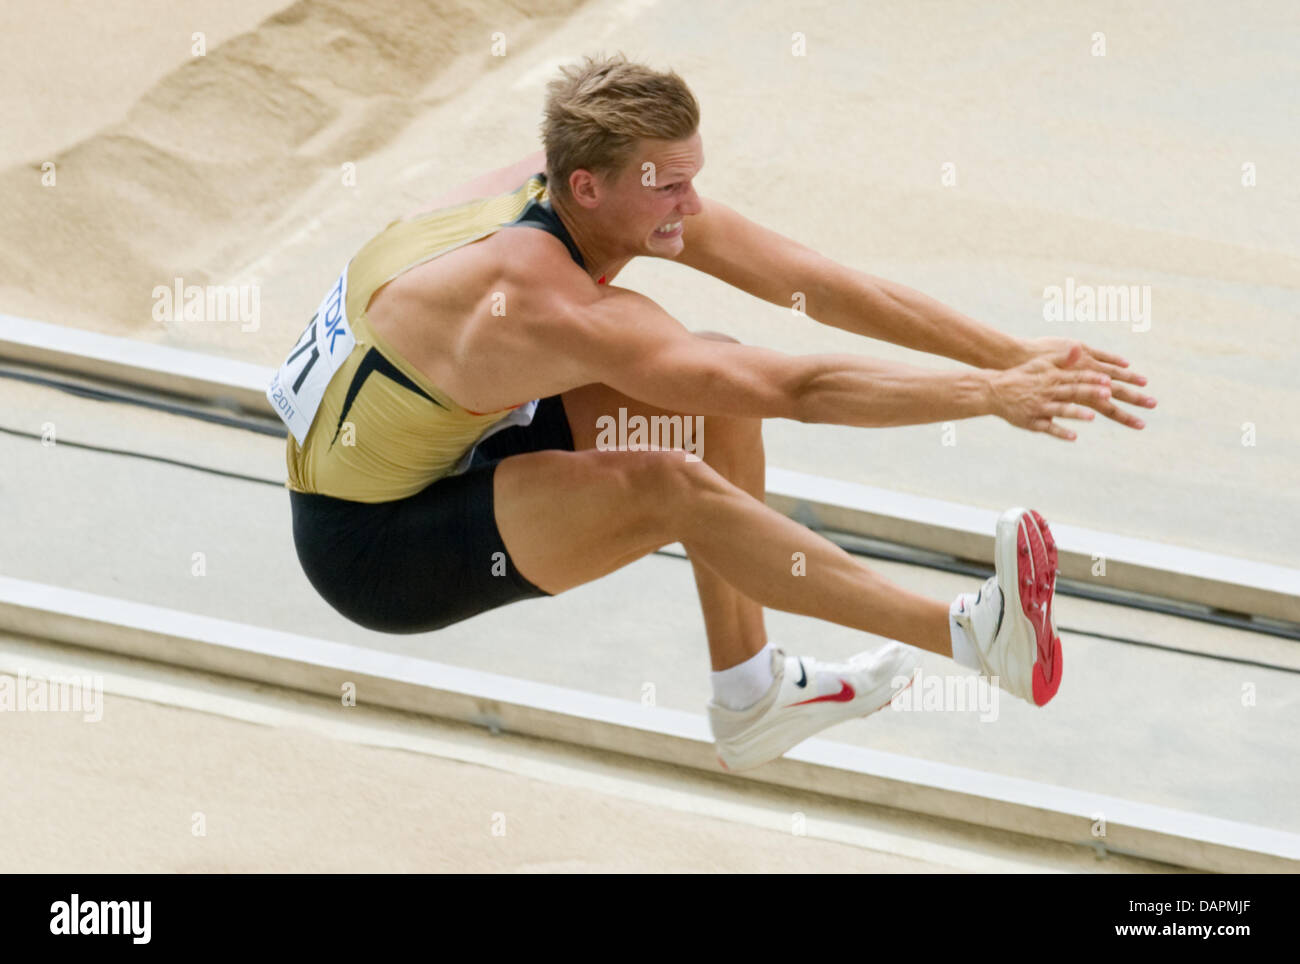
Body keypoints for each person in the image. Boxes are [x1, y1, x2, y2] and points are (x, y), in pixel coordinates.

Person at [269, 53, 1156, 772]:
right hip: (375, 543)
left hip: (450, 429)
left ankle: (751, 698)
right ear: (587, 187)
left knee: (715, 379)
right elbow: (797, 390)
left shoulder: (570, 186)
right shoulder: (548, 305)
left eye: (694, 180)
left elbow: (812, 283)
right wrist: (989, 399)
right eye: (669, 190)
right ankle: (974, 638)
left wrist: (1012, 354)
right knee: (670, 477)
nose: (691, 208)